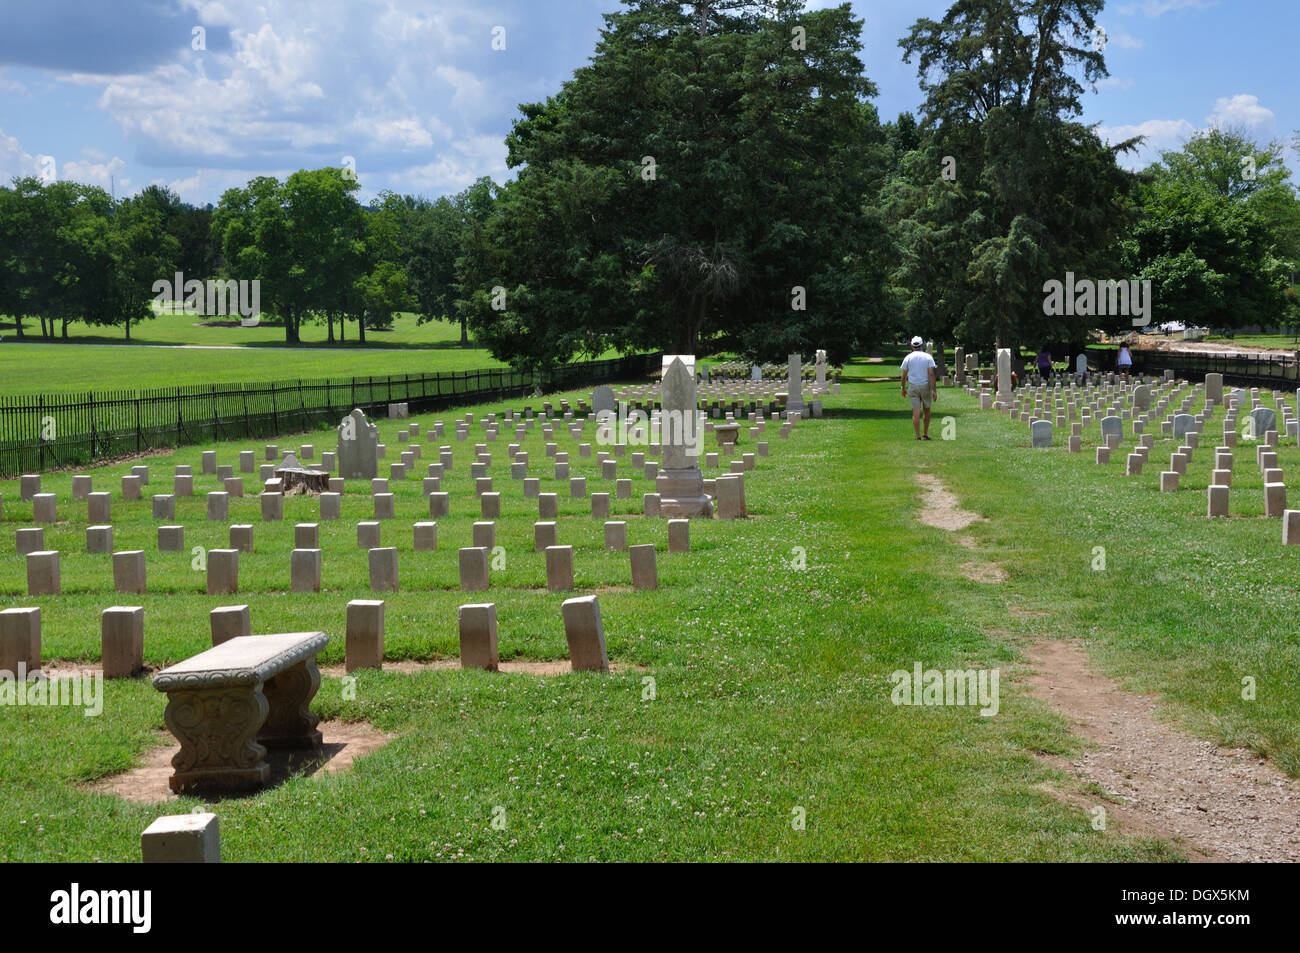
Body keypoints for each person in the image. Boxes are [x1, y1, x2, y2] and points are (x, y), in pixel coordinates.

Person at [900, 336, 937, 440]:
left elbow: (903, 376)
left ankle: (917, 436)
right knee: (927, 410)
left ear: (912, 346)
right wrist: (934, 390)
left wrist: (903, 388)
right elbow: (931, 374)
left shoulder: (908, 357)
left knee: (915, 411)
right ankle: (925, 434)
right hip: (925, 386)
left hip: (913, 386)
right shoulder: (928, 357)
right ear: (922, 345)